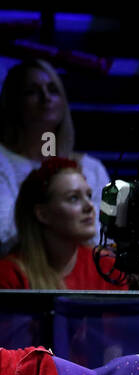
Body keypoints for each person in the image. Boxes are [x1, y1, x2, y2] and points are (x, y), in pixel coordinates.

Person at [0, 59, 111, 254]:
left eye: (53, 89)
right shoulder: (3, 163)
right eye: (32, 91)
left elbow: (105, 239)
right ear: (13, 102)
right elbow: (6, 234)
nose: (46, 97)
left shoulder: (92, 168)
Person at [0, 158, 123, 291]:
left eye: (89, 195)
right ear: (43, 214)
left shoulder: (108, 268)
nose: (89, 206)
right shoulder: (9, 275)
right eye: (74, 198)